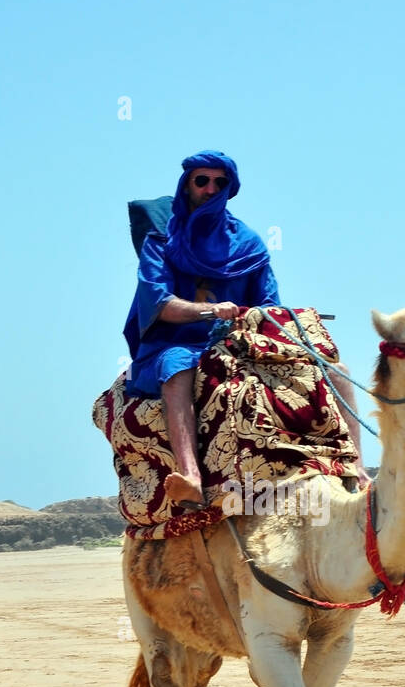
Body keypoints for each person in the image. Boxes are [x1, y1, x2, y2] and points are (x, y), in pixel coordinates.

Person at [124, 148, 370, 506]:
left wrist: (276, 323)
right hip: (177, 341)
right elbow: (159, 304)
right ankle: (191, 476)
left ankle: (358, 468)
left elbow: (269, 305)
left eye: (219, 182)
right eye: (202, 180)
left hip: (240, 342)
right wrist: (209, 312)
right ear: (187, 184)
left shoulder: (249, 244)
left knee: (337, 370)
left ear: (229, 188)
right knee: (176, 367)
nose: (210, 189)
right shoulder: (161, 239)